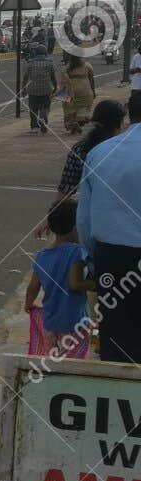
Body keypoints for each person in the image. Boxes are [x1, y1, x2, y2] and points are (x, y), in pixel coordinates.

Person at [77, 93, 141, 362]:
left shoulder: (101, 152)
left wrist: (91, 260)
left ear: (129, 114)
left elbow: (85, 218)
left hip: (113, 257)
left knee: (115, 335)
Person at [26, 200, 90, 359]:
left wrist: (29, 303)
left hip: (50, 322)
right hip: (74, 323)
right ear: (75, 229)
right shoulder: (76, 252)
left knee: (52, 360)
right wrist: (97, 284)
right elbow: (75, 284)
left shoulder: (41, 255)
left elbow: (33, 286)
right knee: (73, 363)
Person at [58, 98, 124, 198]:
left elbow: (65, 190)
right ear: (120, 124)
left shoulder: (79, 149)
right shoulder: (124, 149)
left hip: (89, 208)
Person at [22, 42, 55, 133]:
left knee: (33, 108)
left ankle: (34, 127)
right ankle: (43, 118)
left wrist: (23, 88)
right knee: (45, 106)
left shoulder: (30, 63)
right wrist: (55, 87)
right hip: (46, 89)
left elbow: (25, 77)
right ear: (45, 53)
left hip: (33, 89)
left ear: (35, 53)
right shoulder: (50, 63)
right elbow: (53, 77)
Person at [60, 52, 95, 134]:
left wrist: (61, 95)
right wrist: (93, 90)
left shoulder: (68, 67)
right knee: (84, 108)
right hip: (85, 89)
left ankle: (72, 125)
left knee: (70, 109)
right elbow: (91, 79)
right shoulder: (87, 66)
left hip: (71, 89)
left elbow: (63, 82)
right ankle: (79, 123)